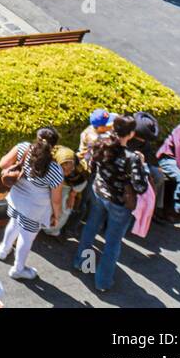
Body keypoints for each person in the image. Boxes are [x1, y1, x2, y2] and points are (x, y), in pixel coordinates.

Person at [75, 114, 149, 293]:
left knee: (91, 227)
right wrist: (144, 166)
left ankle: (83, 263)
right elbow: (140, 186)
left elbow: (92, 163)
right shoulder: (132, 158)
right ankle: (102, 281)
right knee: (112, 242)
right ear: (131, 134)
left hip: (99, 193)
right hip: (118, 203)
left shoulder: (100, 142)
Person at [0, 128, 64, 281]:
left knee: (13, 223)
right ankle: (18, 269)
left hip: (16, 199)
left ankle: (3, 250)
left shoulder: (23, 148)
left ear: (37, 138)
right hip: (35, 209)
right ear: (54, 146)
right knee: (26, 238)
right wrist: (56, 215)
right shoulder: (55, 170)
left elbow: (3, 164)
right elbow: (56, 200)